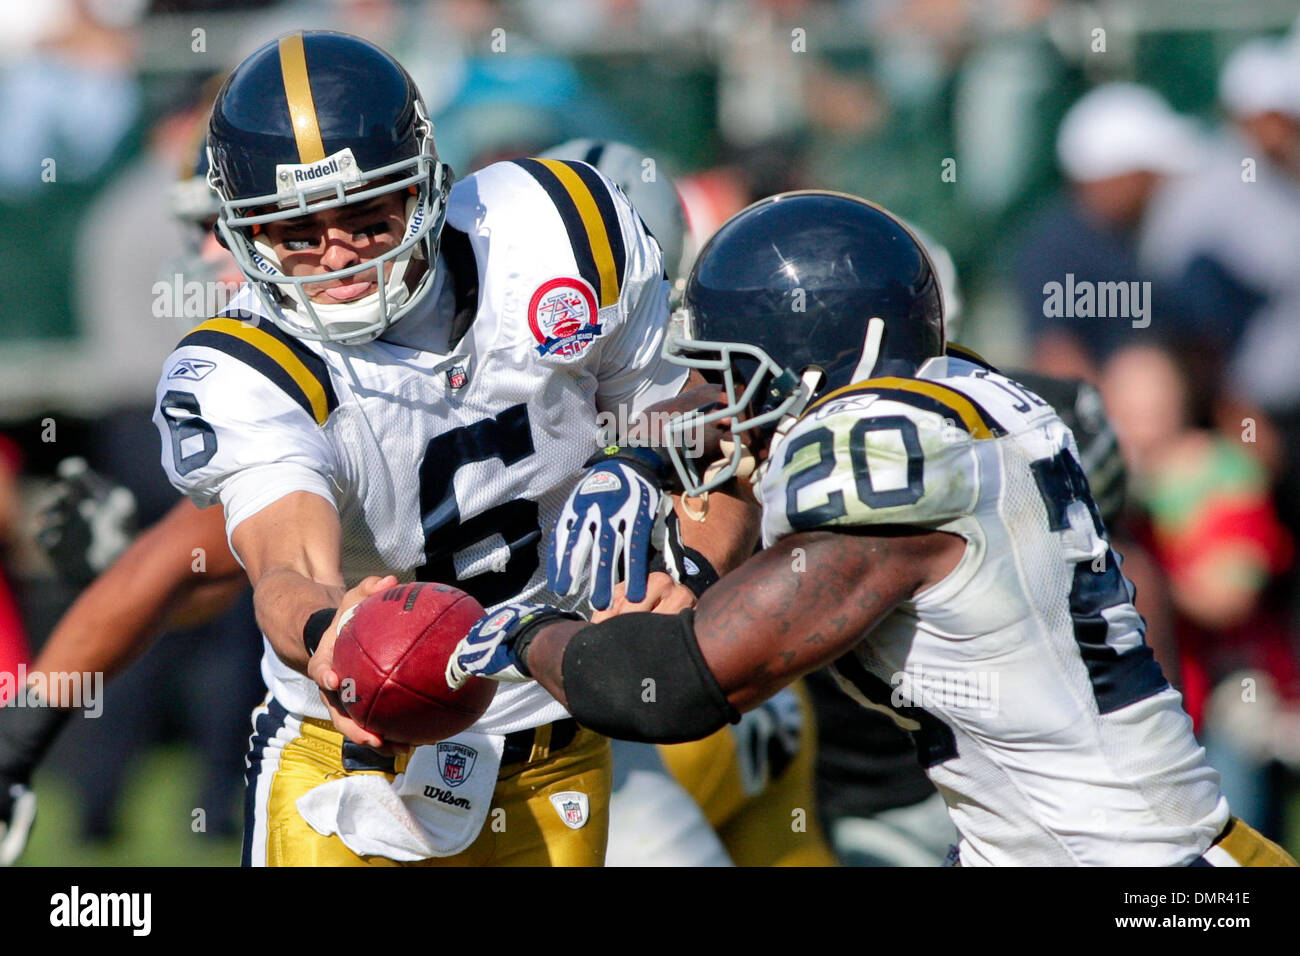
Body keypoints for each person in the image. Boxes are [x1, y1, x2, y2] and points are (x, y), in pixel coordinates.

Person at [450, 190, 1297, 866]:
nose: (722, 405)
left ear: (817, 367)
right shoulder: (964, 395)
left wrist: (524, 626)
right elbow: (726, 426)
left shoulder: (880, 472)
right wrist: (636, 458)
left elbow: (673, 688)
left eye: (734, 373)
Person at [148, 30, 748, 867]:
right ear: (247, 235)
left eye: (366, 217)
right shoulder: (246, 368)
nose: (338, 255)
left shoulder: (555, 233)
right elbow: (287, 568)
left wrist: (694, 573)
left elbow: (710, 432)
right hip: (353, 753)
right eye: (295, 232)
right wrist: (331, 630)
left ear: (426, 183)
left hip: (552, 741)